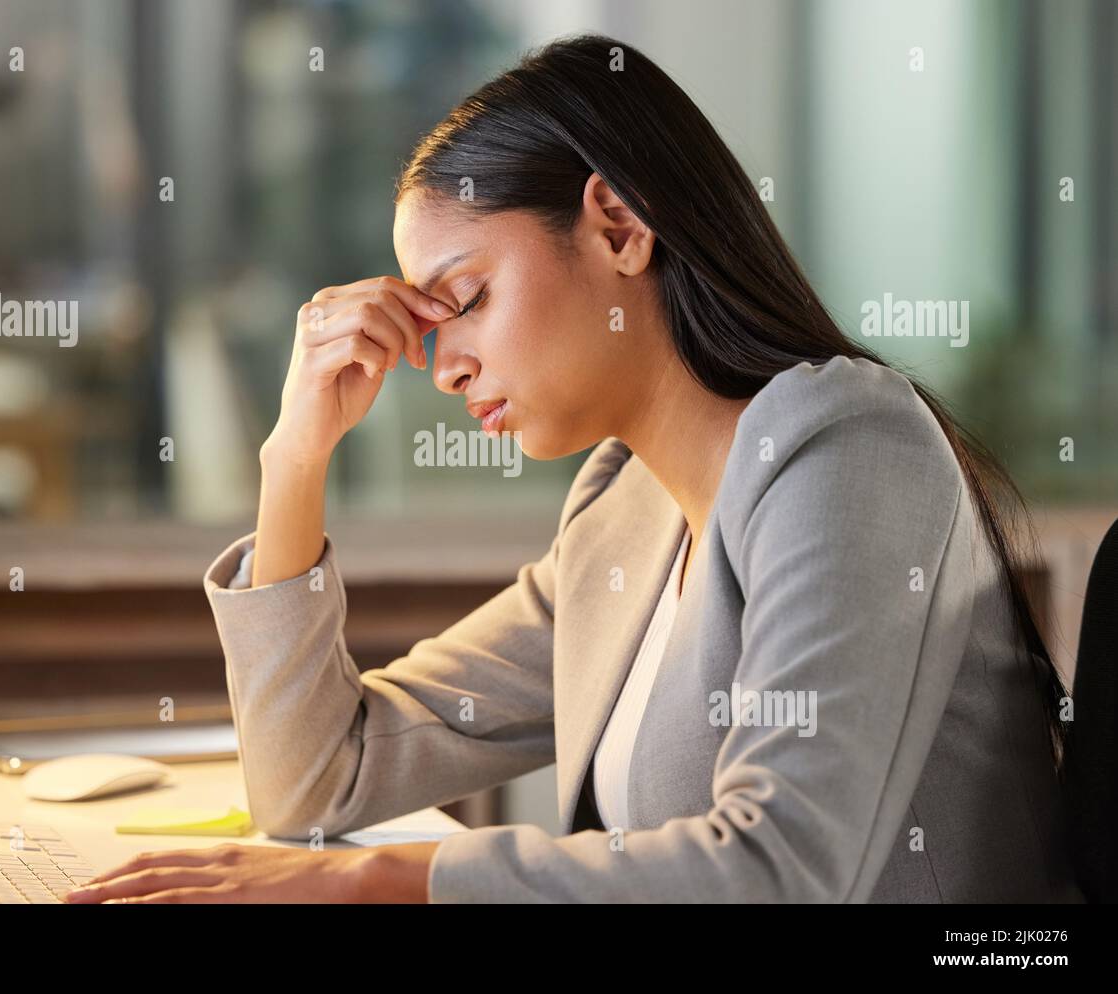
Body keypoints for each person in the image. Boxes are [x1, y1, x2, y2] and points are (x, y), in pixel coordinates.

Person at [66, 34, 1081, 904]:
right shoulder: (623, 512)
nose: (440, 361)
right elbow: (321, 778)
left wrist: (380, 881)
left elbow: (782, 871)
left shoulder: (848, 448)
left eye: (462, 299)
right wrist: (293, 458)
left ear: (618, 228)